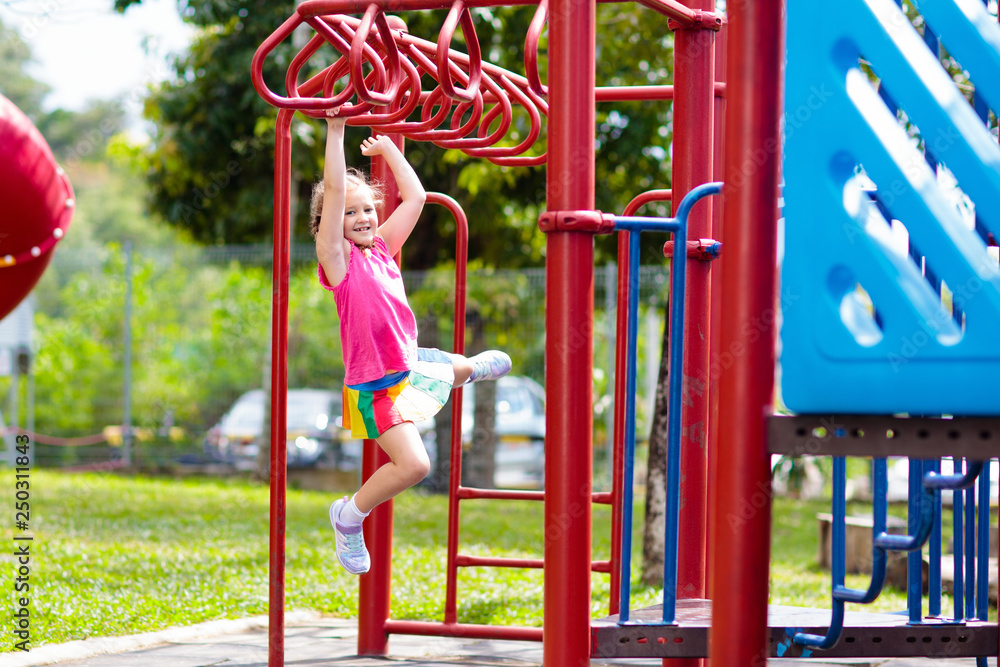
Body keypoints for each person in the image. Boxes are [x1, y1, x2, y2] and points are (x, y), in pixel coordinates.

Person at [310, 114, 511, 575]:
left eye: (368, 209)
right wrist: (337, 131)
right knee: (416, 466)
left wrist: (389, 151)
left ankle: (471, 370)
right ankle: (348, 515)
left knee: (455, 368)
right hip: (375, 388)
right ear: (328, 225)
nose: (361, 217)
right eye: (349, 212)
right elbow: (335, 190)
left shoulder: (381, 249)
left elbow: (416, 197)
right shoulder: (337, 262)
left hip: (409, 368)